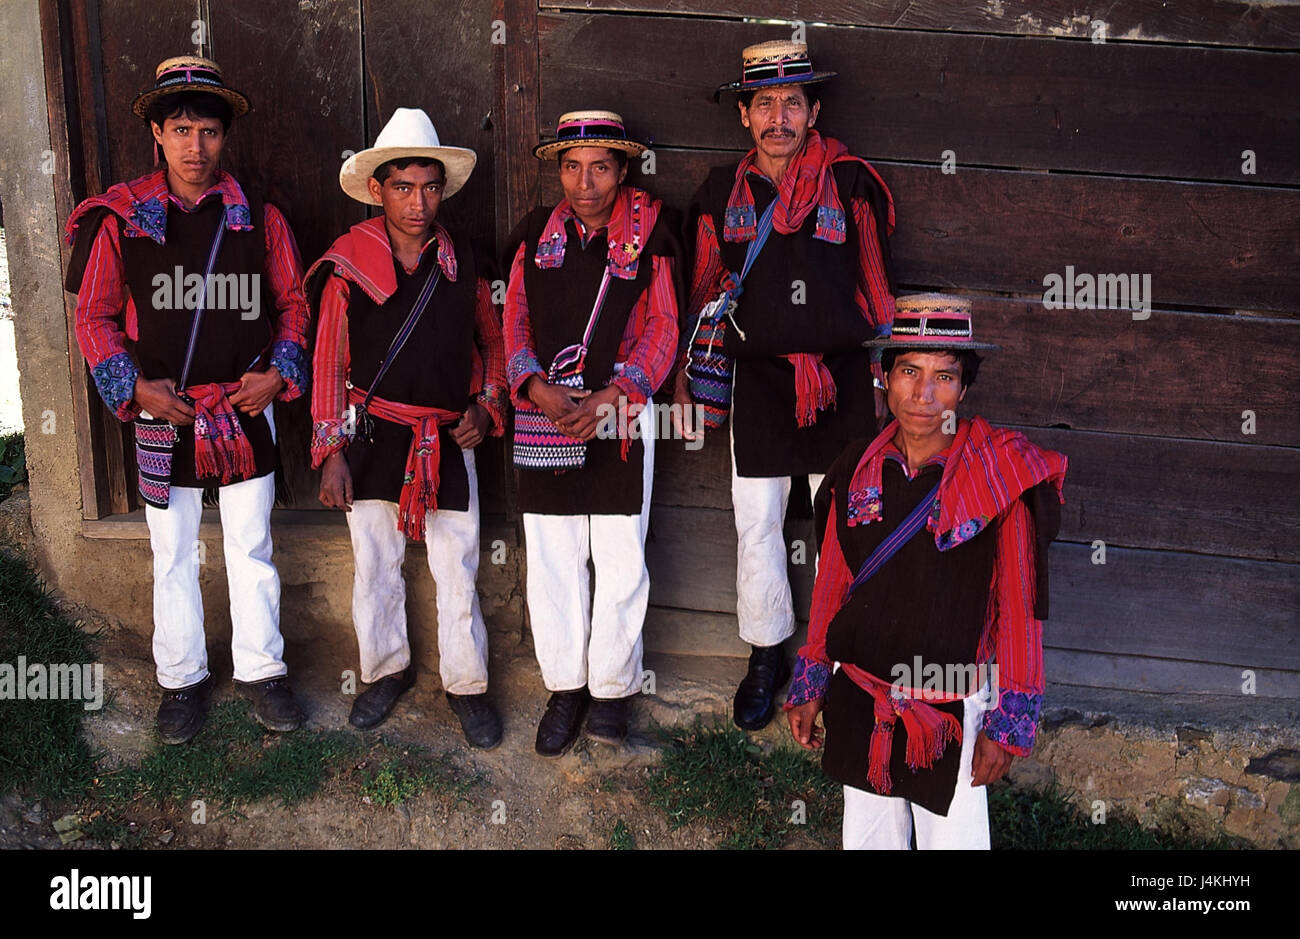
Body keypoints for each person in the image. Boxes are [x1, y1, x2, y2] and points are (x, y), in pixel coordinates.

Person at [64, 56, 312, 742]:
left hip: (242, 408)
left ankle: (263, 671)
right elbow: (93, 316)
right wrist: (135, 386)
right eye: (180, 130)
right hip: (162, 413)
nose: (194, 147)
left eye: (207, 131)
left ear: (223, 138)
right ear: (156, 133)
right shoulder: (121, 220)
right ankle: (180, 680)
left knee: (252, 542)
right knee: (171, 549)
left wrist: (278, 376)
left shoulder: (258, 220)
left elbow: (294, 302)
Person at [784, 294, 1068, 849]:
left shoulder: (1000, 479)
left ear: (963, 389)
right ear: (883, 376)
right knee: (867, 841)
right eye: (910, 370)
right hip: (864, 697)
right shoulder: (856, 467)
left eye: (944, 375)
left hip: (950, 710)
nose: (924, 393)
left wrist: (1008, 722)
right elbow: (832, 585)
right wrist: (814, 675)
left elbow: (1019, 609)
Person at [675, 40, 897, 730]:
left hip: (840, 383)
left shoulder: (852, 183)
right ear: (745, 115)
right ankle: (766, 654)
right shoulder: (719, 196)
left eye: (791, 103)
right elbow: (702, 294)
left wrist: (887, 380)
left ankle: (836, 659)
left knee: (844, 523)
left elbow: (878, 294)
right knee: (758, 525)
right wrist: (686, 382)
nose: (779, 117)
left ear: (814, 110)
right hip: (761, 384)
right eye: (764, 104)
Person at [306, 108, 506, 748]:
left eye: (429, 187)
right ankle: (384, 671)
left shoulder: (465, 262)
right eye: (402, 187)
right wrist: (331, 450)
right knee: (374, 562)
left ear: (442, 189)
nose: (417, 202)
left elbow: (495, 344)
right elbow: (330, 362)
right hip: (372, 434)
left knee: (457, 563)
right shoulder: (346, 267)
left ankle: (466, 685)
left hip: (447, 437)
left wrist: (486, 407)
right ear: (377, 189)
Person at [504, 111, 682, 756]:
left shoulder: (654, 236)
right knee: (554, 559)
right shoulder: (534, 236)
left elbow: (666, 323)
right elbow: (515, 318)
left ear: (623, 170)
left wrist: (618, 392)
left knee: (619, 557)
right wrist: (534, 388)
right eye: (573, 167)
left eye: (601, 167)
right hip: (544, 414)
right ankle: (565, 686)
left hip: (622, 414)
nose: (586, 182)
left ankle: (610, 688)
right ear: (559, 171)